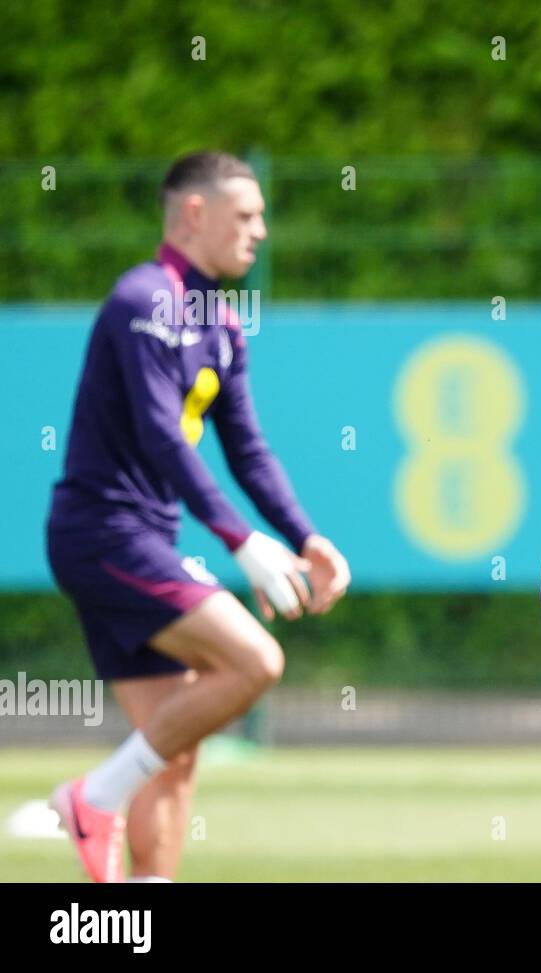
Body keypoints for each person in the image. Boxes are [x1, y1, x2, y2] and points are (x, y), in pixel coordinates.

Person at [46, 151, 351, 883]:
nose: (260, 231)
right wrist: (239, 539)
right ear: (193, 212)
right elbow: (160, 433)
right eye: (245, 215)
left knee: (173, 751)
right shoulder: (143, 299)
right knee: (255, 661)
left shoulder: (219, 320)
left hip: (140, 537)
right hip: (103, 535)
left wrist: (305, 535)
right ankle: (93, 798)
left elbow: (247, 448)